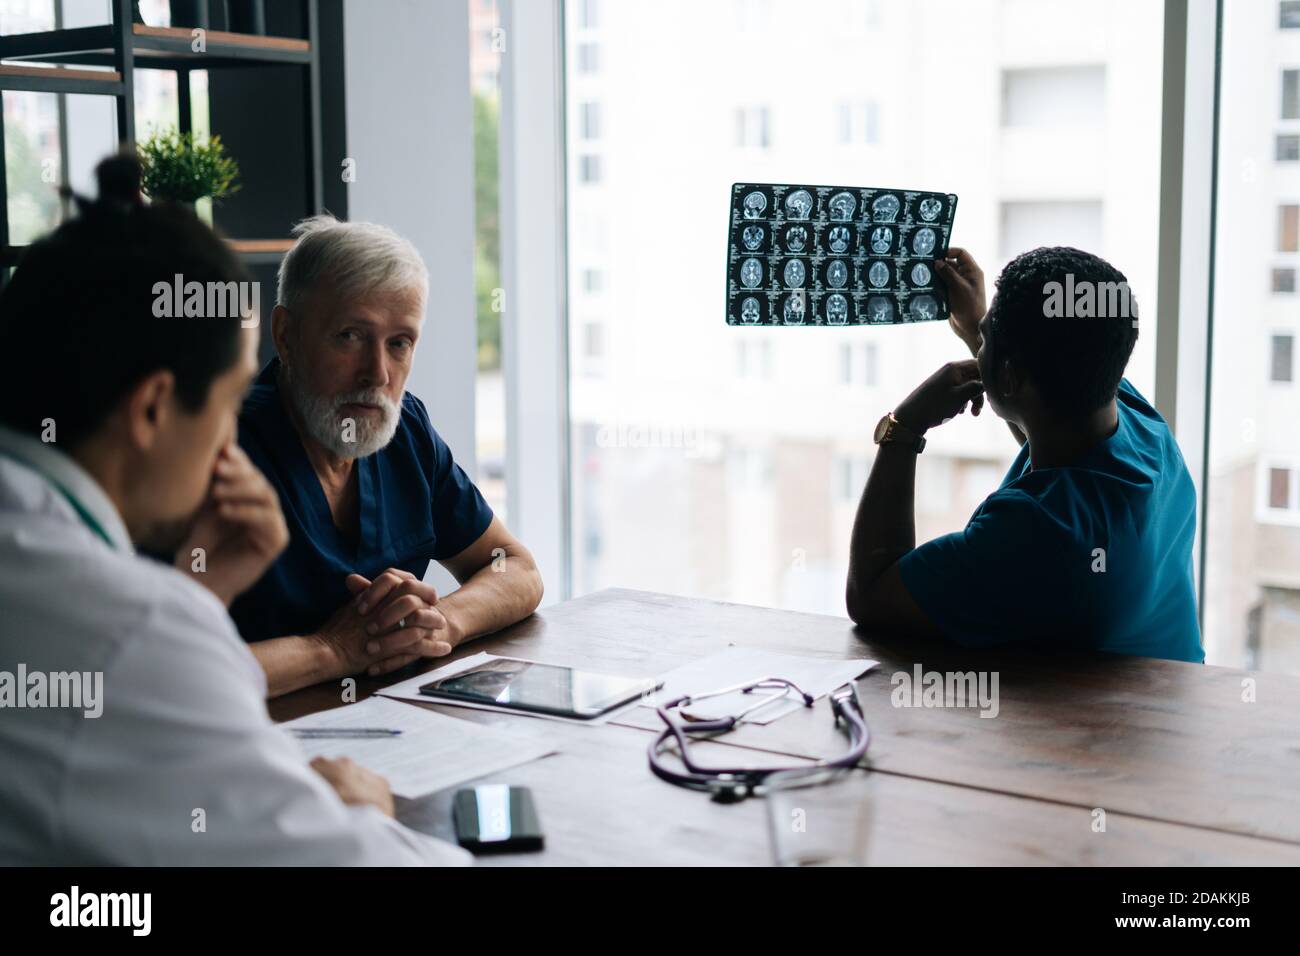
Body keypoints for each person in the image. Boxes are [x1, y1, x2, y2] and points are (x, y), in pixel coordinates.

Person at [0, 154, 469, 864]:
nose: (231, 444)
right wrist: (362, 810)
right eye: (224, 408)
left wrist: (199, 593)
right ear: (155, 408)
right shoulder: (125, 627)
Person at [221, 216, 543, 697]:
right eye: (350, 336)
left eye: (399, 344)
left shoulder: (406, 430)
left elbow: (516, 566)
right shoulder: (217, 450)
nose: (377, 373)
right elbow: (163, 676)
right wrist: (330, 649)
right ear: (286, 335)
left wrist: (439, 622)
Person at [844, 246, 1203, 663]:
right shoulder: (1140, 423)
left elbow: (871, 595)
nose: (979, 344)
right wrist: (982, 332)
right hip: (1167, 711)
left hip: (1098, 726)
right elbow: (1053, 413)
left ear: (1011, 377)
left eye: (987, 338)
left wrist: (904, 430)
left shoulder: (1035, 531)